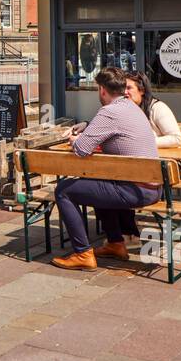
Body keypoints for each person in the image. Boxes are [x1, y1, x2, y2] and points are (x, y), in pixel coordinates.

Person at [50, 67, 161, 271]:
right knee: (98, 180)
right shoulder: (132, 108)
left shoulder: (109, 111)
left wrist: (76, 139)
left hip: (135, 189)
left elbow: (82, 149)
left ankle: (82, 253)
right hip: (153, 186)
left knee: (63, 190)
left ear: (102, 90)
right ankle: (115, 243)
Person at [124, 71, 181, 149]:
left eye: (129, 88)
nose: (124, 92)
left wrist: (142, 143)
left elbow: (177, 139)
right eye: (123, 88)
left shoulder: (158, 108)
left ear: (142, 90)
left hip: (160, 159)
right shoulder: (125, 109)